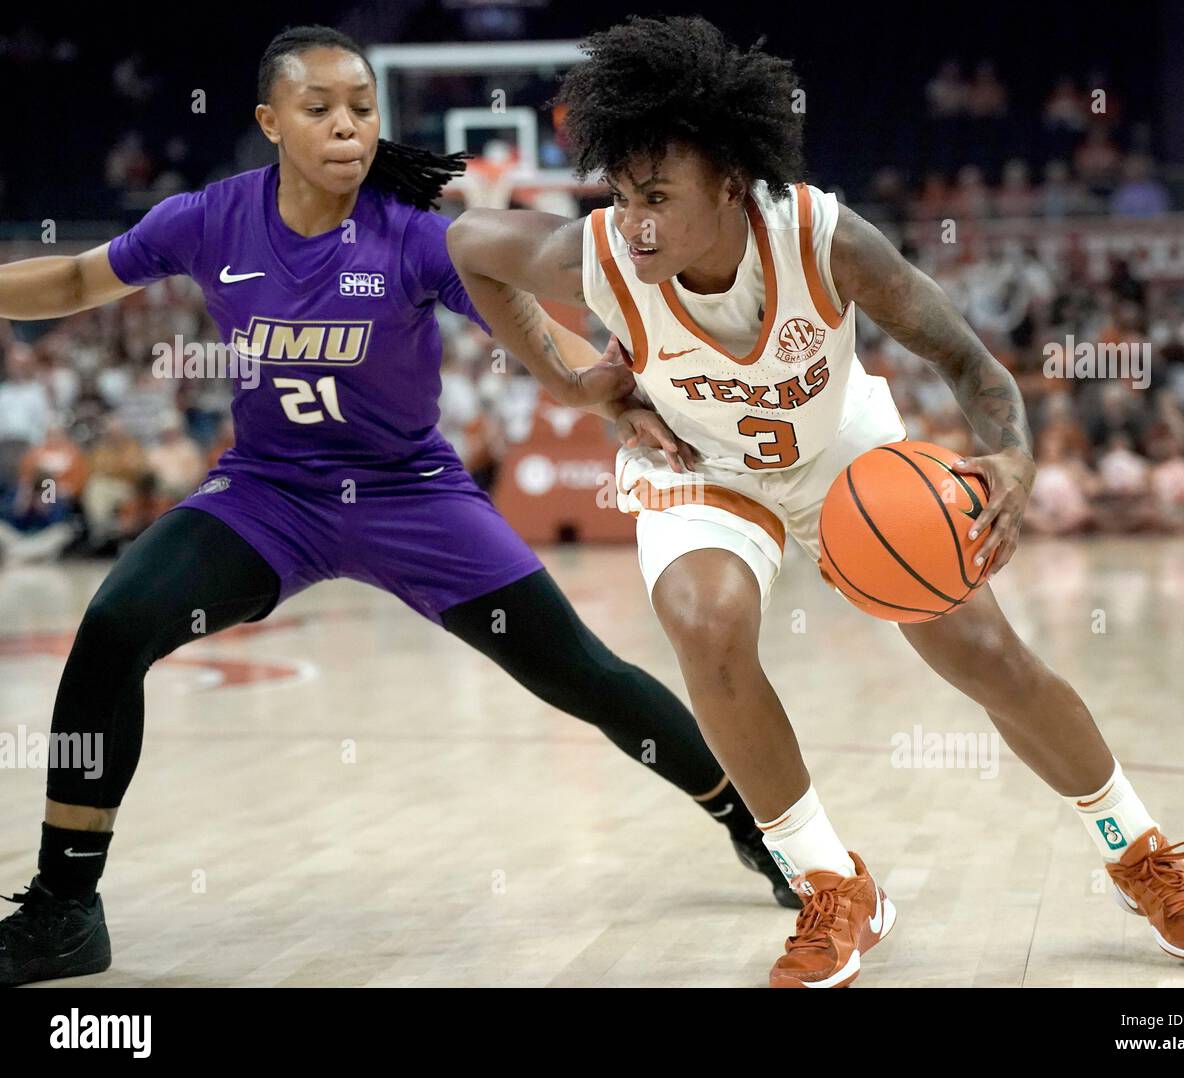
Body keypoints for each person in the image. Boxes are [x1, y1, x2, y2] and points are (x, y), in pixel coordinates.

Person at [448, 14, 1184, 988]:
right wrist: (575, 384)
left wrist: (1014, 456)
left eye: (658, 195)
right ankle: (830, 881)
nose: (634, 219)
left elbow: (962, 357)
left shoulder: (823, 239)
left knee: (984, 651)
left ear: (732, 184)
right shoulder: (600, 253)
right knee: (704, 622)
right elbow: (469, 244)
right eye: (621, 192)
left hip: (841, 452)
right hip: (700, 464)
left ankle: (1137, 851)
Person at [0, 23, 798, 991]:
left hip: (410, 494)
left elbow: (525, 308)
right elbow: (84, 276)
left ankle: (753, 824)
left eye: (363, 108)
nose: (347, 126)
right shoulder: (208, 219)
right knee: (116, 620)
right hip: (268, 493)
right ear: (268, 123)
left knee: (580, 674)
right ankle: (65, 908)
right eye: (320, 108)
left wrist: (591, 384)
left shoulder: (417, 235)